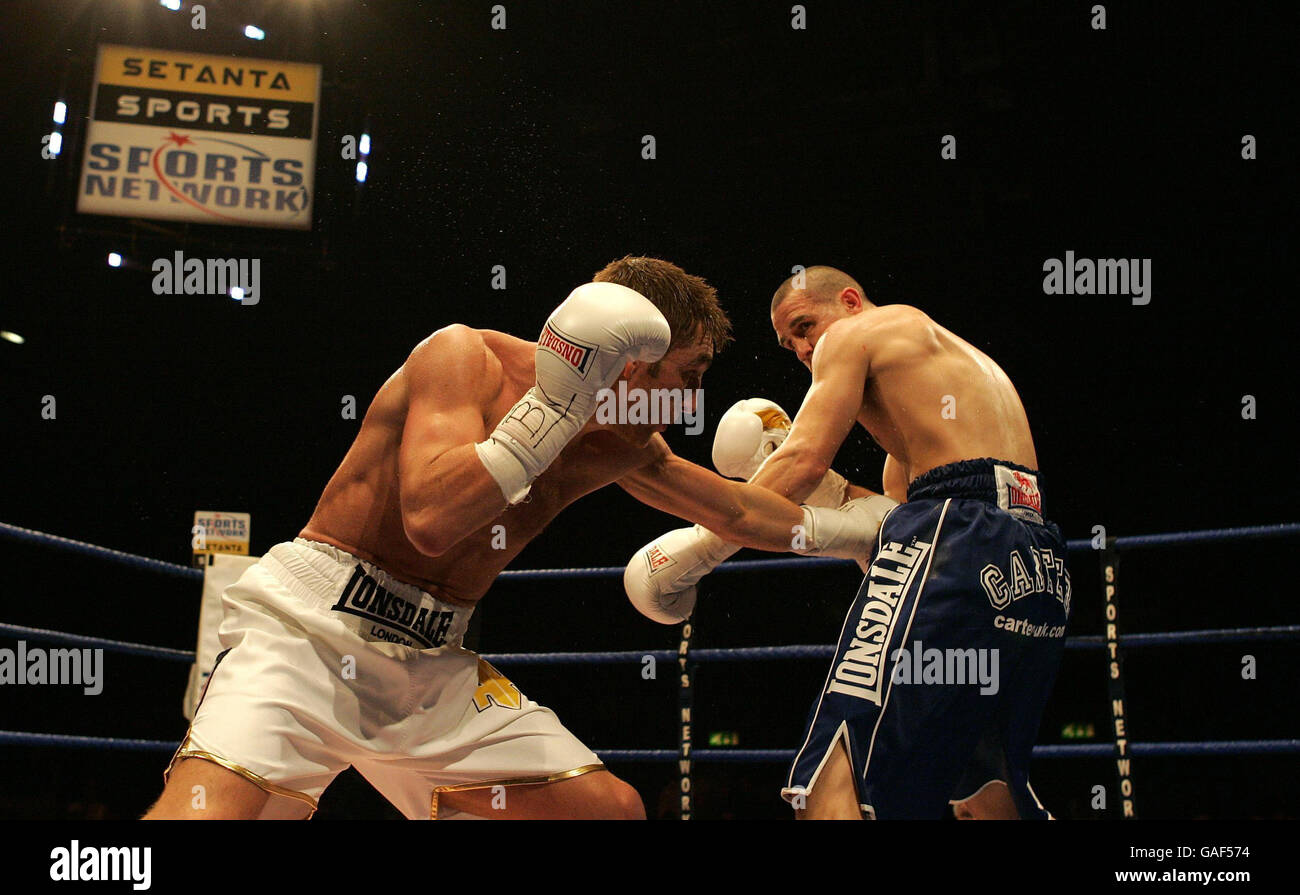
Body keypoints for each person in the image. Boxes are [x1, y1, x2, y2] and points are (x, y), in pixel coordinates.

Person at [143, 256, 886, 820]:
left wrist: (879, 528)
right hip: (308, 634)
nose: (691, 402)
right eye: (687, 374)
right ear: (632, 356)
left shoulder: (626, 443)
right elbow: (431, 521)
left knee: (610, 811)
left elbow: (745, 516)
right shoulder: (464, 359)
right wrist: (551, 414)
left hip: (434, 664)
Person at [625, 266, 1070, 819]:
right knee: (983, 788)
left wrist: (699, 550)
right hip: (1040, 561)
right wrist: (831, 493)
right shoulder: (935, 392)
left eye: (806, 327)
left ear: (851, 301)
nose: (807, 349)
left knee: (839, 778)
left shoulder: (856, 334)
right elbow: (893, 531)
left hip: (961, 538)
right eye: (791, 346)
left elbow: (803, 458)